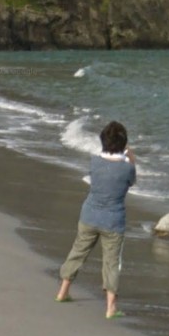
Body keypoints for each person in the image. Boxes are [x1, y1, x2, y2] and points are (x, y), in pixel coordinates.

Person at [55, 121, 136, 319]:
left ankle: (63, 291)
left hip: (89, 214)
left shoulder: (94, 161)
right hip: (113, 220)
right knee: (111, 262)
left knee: (78, 252)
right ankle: (110, 307)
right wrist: (130, 156)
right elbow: (131, 181)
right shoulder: (127, 169)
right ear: (123, 143)